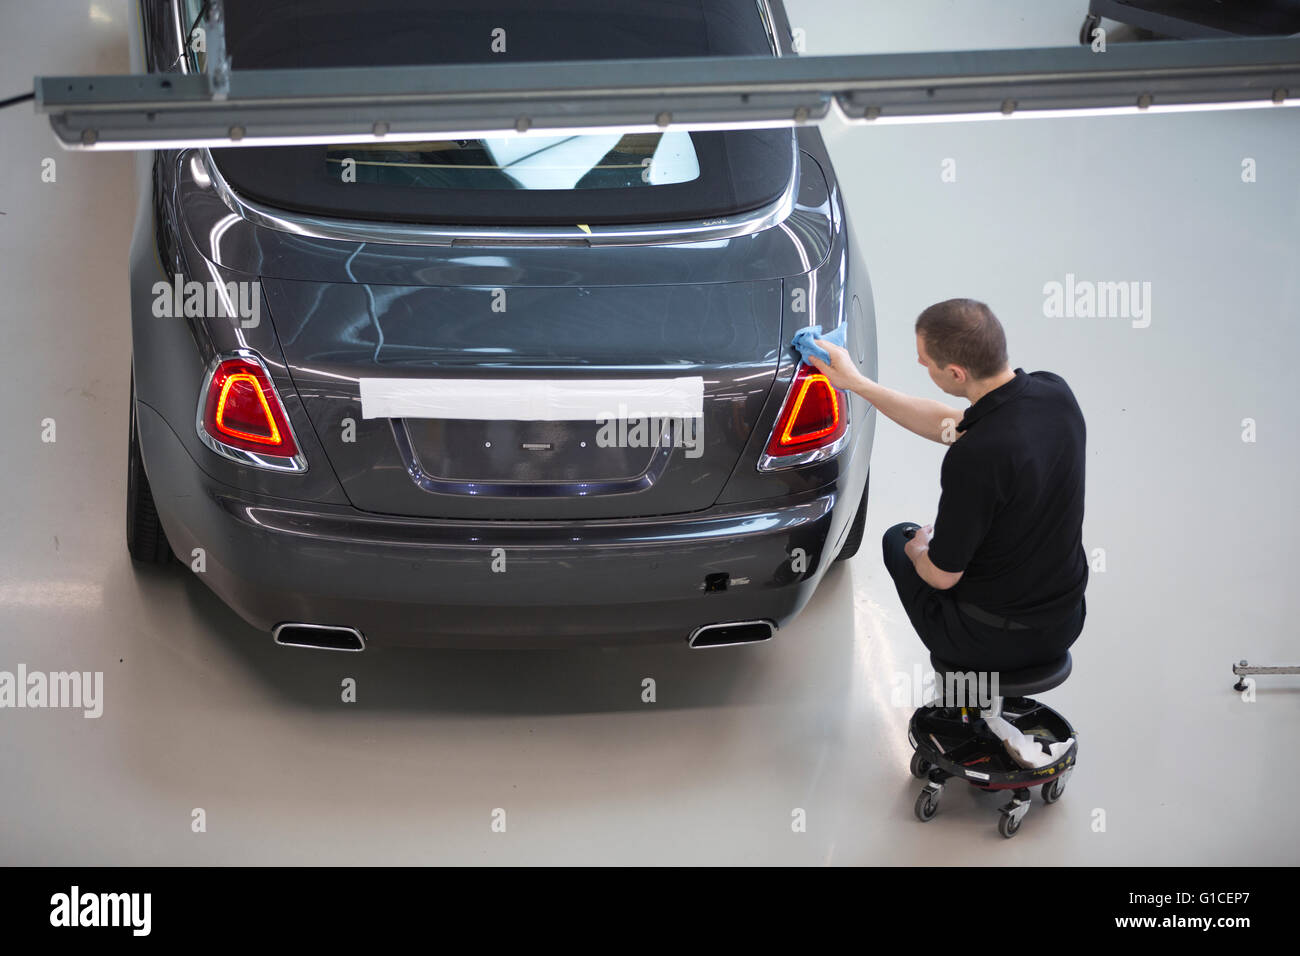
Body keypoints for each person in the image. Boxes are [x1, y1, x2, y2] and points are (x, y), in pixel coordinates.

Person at [808, 298, 1087, 672]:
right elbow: (953, 425)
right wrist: (855, 384)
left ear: (956, 374)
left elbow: (941, 577)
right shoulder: (1053, 393)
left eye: (925, 361)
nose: (920, 364)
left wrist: (919, 550)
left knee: (899, 539)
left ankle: (967, 704)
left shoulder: (974, 458)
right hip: (1066, 619)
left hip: (991, 639)